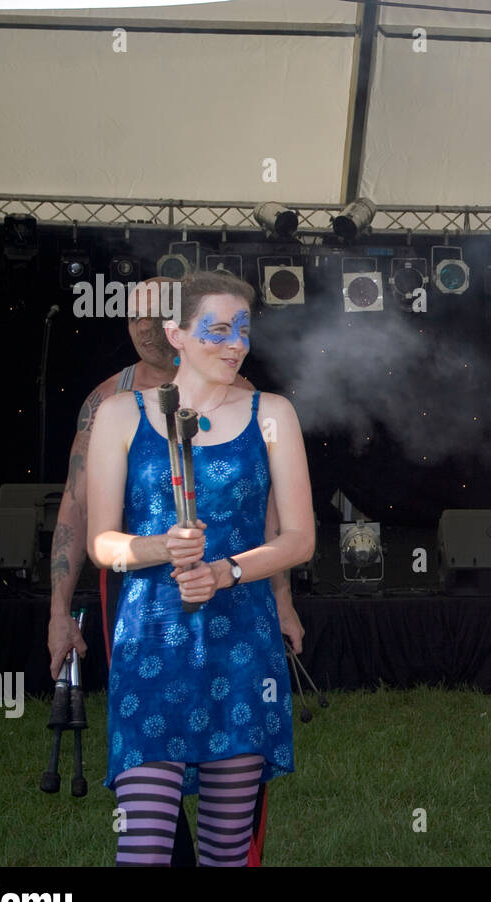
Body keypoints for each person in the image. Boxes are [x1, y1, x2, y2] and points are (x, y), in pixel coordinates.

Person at [86, 270, 314, 866]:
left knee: (225, 850)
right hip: (151, 645)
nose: (235, 343)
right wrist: (160, 547)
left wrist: (226, 571)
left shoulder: (274, 414)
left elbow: (300, 538)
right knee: (142, 846)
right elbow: (101, 543)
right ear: (177, 334)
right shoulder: (117, 414)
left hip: (241, 644)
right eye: (216, 330)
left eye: (243, 330)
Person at [48, 275, 304, 681]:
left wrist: (283, 597)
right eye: (136, 318)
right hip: (144, 597)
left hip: (238, 594)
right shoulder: (108, 403)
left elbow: (269, 512)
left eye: (156, 316)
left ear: (179, 325)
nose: (146, 330)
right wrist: (59, 611)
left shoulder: (251, 400)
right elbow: (76, 506)